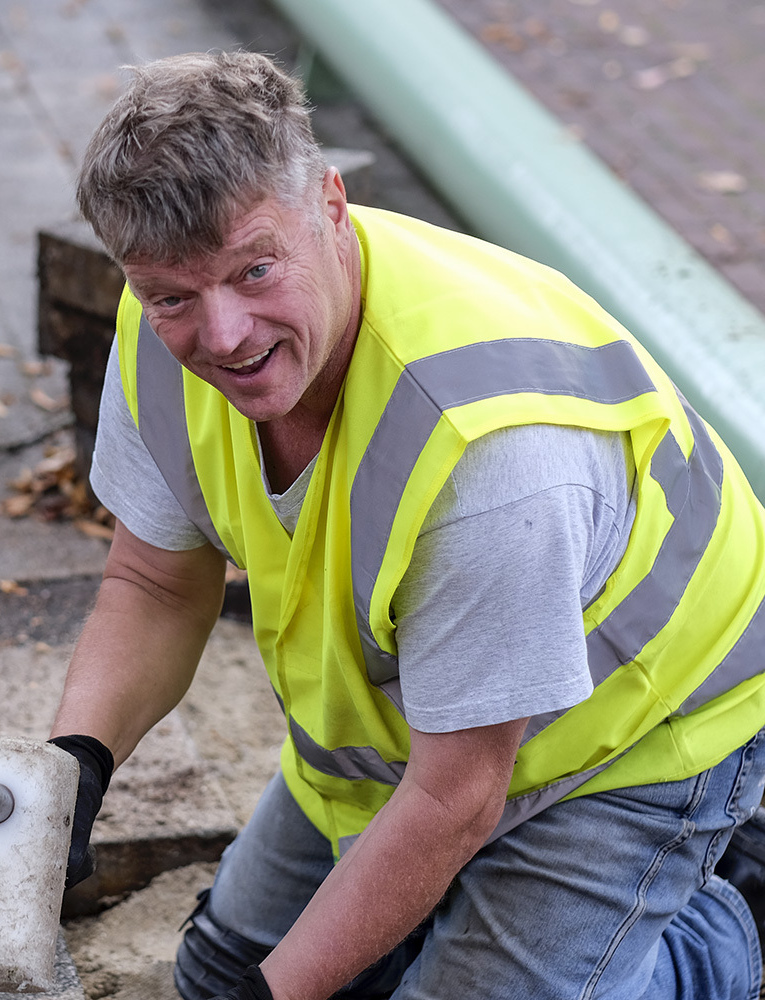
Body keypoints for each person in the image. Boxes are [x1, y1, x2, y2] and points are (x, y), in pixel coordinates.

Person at [47, 49, 765, 1000]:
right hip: (404, 732)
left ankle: (716, 936)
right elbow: (152, 584)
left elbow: (455, 798)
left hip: (631, 741)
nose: (222, 336)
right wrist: (74, 769)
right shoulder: (163, 331)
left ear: (331, 208)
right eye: (173, 297)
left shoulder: (492, 455)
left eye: (254, 270)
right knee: (220, 980)